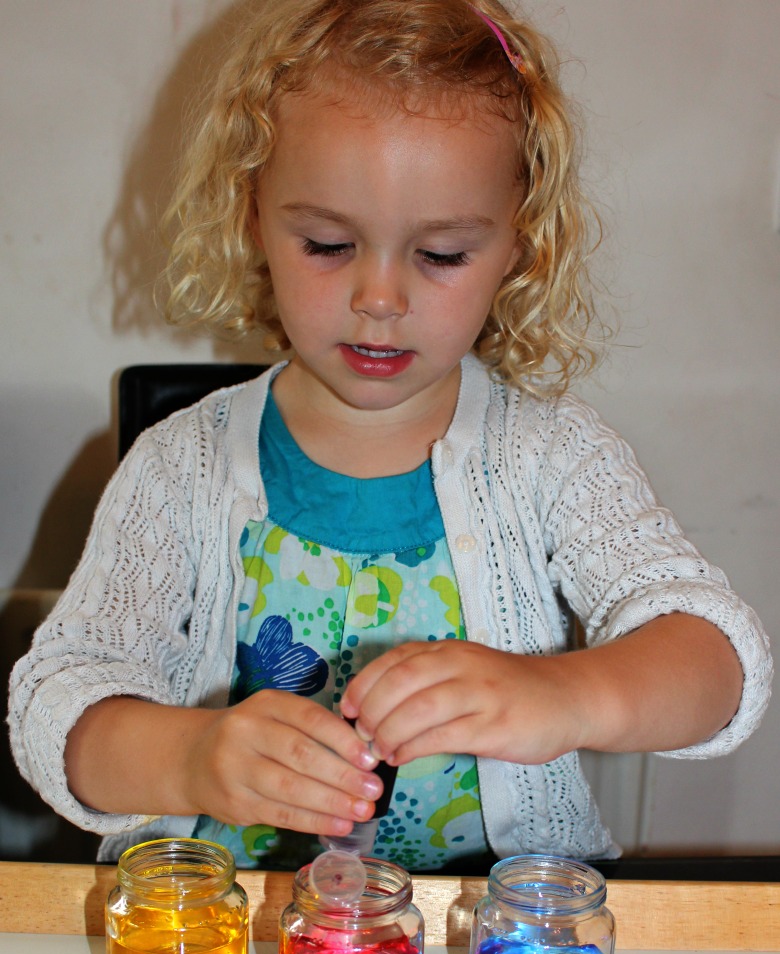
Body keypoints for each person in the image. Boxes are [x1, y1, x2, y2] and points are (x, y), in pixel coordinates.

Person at [8, 0, 772, 871]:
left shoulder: (553, 460)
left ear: (518, 247)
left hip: (488, 945)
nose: (381, 296)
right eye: (329, 243)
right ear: (253, 216)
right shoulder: (180, 466)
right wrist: (188, 758)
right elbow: (54, 704)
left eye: (441, 255)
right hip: (230, 940)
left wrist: (566, 692)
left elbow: (719, 661)